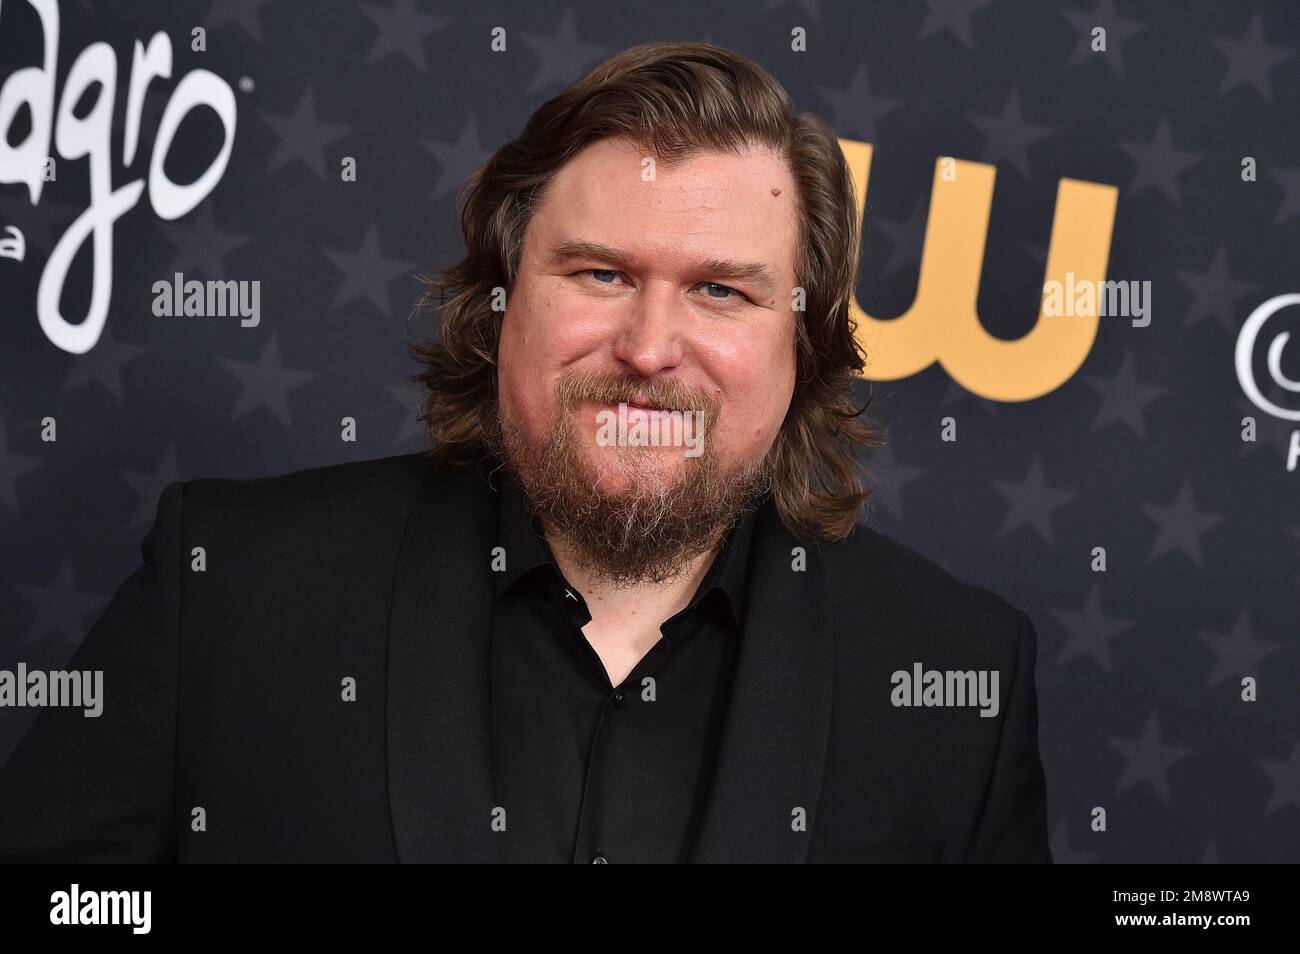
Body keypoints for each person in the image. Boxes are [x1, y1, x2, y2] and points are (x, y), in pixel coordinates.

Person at [0, 41, 1050, 863]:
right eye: (598, 274)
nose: (647, 348)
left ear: (801, 344)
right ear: (498, 303)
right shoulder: (222, 585)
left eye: (720, 290)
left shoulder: (960, 672)